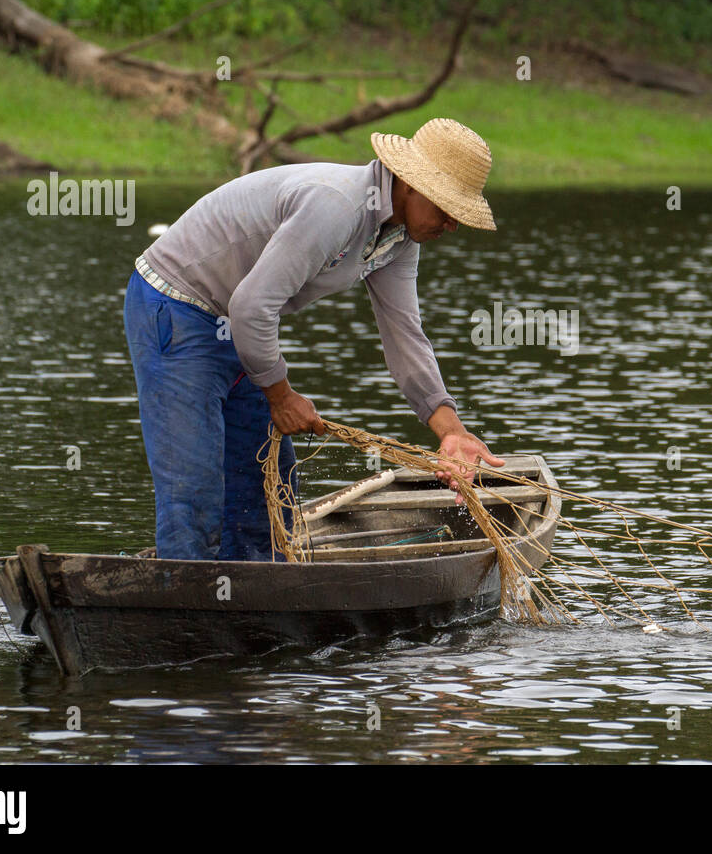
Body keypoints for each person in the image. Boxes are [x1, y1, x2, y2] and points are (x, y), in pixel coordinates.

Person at [122, 118, 504, 561]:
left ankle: (249, 602)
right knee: (196, 488)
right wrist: (281, 396)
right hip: (176, 305)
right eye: (445, 209)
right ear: (409, 185)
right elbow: (251, 307)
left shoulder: (399, 236)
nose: (451, 225)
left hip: (237, 326)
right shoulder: (337, 206)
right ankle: (184, 611)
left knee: (269, 476)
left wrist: (450, 430)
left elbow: (404, 333)